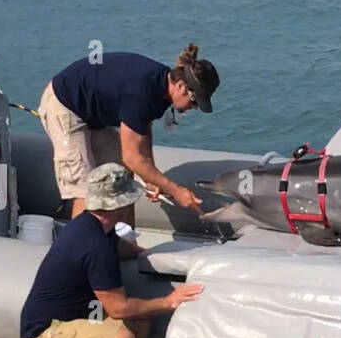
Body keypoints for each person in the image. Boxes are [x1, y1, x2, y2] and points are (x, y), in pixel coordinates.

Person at [20, 163, 203, 338]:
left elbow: (120, 247)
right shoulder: (94, 247)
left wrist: (150, 255)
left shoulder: (93, 224)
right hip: (45, 333)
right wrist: (169, 301)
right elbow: (119, 308)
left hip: (75, 317)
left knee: (140, 325)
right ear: (119, 204)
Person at [38, 44, 219, 224]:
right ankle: (80, 248)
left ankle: (124, 243)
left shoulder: (162, 86)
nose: (194, 108)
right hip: (64, 106)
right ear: (180, 86)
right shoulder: (140, 93)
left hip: (92, 115)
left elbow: (143, 128)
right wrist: (176, 191)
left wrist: (151, 175)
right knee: (86, 191)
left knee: (121, 180)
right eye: (194, 101)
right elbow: (132, 157)